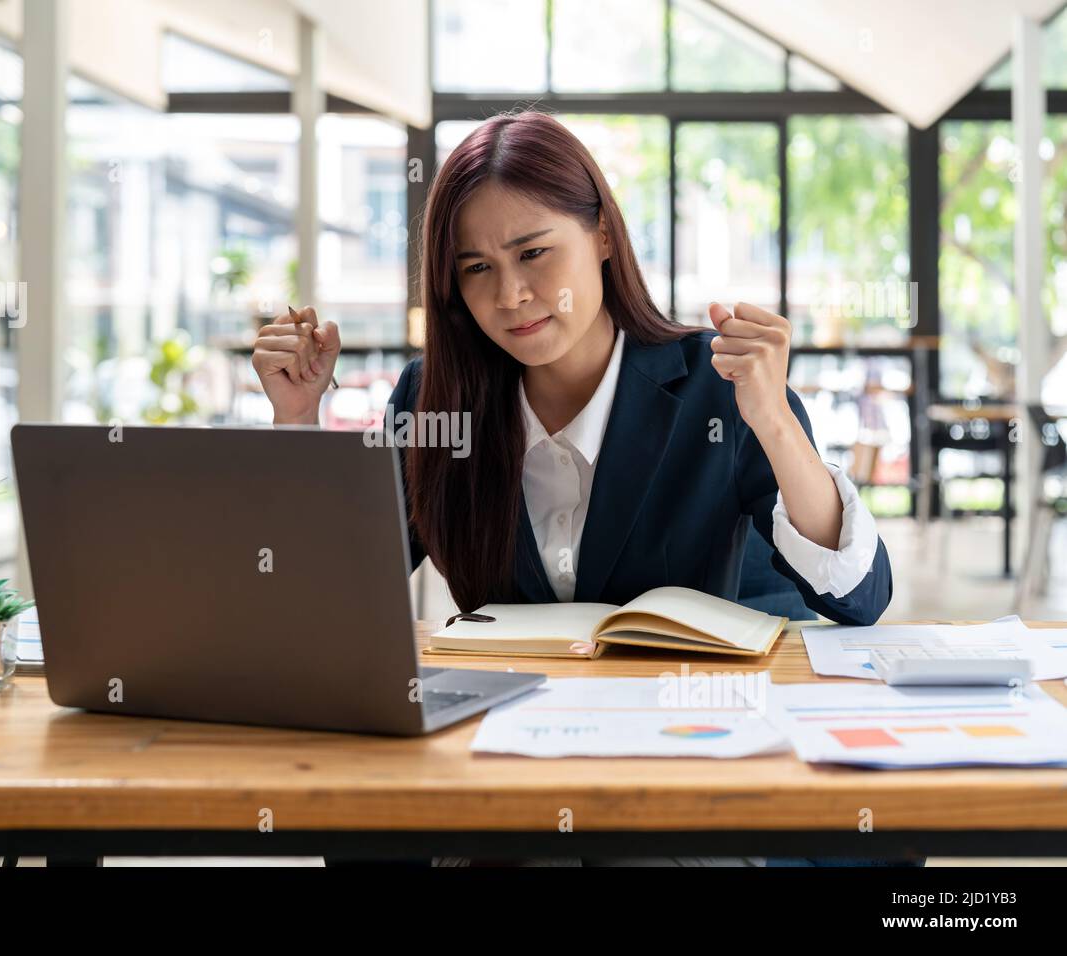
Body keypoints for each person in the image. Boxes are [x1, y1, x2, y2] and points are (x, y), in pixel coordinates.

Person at [252, 111, 896, 866]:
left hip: (693, 748)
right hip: (516, 753)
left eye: (533, 253)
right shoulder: (436, 401)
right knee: (367, 831)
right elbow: (326, 604)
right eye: (477, 267)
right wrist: (296, 419)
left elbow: (859, 599)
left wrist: (776, 423)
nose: (512, 294)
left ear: (601, 236)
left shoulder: (714, 386)